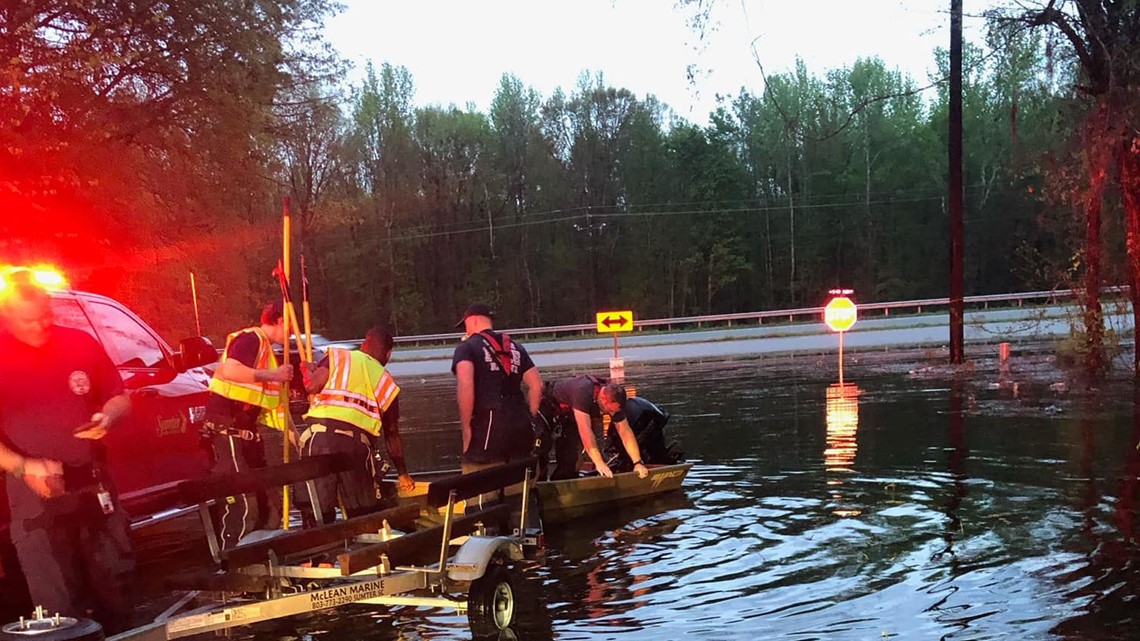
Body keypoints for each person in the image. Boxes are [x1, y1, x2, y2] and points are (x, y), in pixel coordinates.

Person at [0, 268, 134, 631]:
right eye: (30, 320)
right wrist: (22, 466)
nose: (42, 325)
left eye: (47, 315)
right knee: (59, 608)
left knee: (116, 590)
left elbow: (120, 396)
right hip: (35, 497)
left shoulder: (79, 342)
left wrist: (108, 415)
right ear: (8, 315)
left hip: (92, 484)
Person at [203, 301, 293, 549]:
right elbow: (230, 370)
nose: (293, 333)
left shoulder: (267, 352)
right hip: (227, 432)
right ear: (279, 321)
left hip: (248, 435)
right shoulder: (250, 339)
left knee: (269, 504)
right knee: (244, 502)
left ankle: (264, 557)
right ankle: (233, 561)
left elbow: (268, 408)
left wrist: (296, 437)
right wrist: (273, 375)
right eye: (291, 326)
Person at [301, 327, 414, 524]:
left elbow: (311, 385)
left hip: (318, 440)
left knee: (317, 515)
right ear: (388, 355)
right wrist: (403, 473)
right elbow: (392, 434)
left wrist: (307, 369)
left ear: (363, 345)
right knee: (362, 516)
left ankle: (318, 554)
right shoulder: (386, 381)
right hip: (355, 448)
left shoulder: (339, 357)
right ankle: (360, 552)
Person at [451, 303, 543, 499]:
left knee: (480, 485)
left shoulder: (466, 348)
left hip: (488, 426)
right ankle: (522, 524)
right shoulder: (516, 347)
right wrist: (530, 416)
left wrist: (466, 427)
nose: (465, 331)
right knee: (518, 490)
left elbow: (466, 384)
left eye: (465, 326)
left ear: (473, 320)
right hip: (520, 424)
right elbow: (537, 385)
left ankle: (486, 526)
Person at [536, 375, 649, 481]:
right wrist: (599, 463)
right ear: (603, 398)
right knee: (540, 448)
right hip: (545, 405)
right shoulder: (583, 391)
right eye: (609, 411)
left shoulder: (615, 401)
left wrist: (637, 463)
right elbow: (585, 431)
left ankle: (562, 486)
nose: (610, 414)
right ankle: (538, 480)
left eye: (614, 412)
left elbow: (625, 431)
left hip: (568, 417)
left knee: (572, 460)